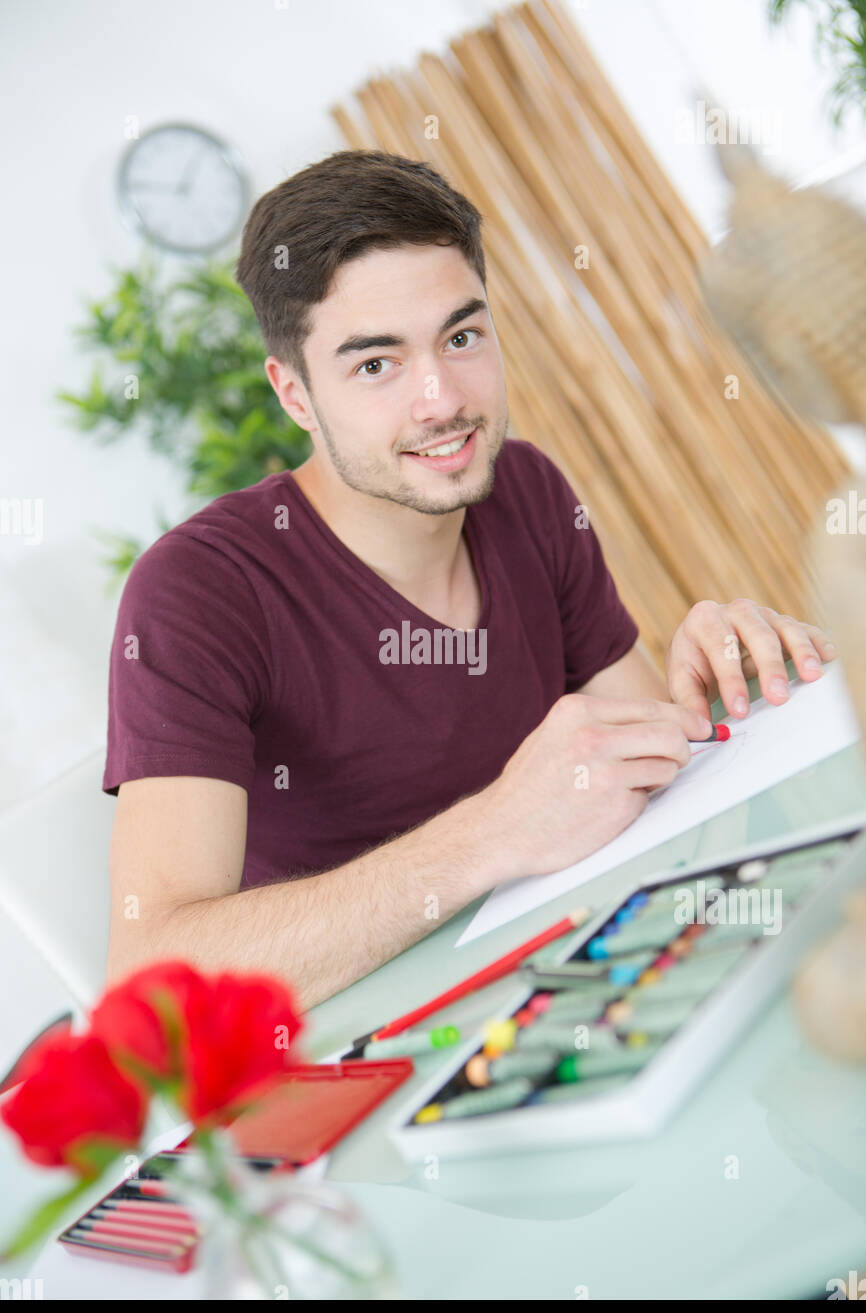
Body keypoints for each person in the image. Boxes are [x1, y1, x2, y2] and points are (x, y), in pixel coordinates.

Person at [103, 151, 835, 1008]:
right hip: (362, 1058)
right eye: (375, 364)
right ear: (296, 394)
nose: (441, 399)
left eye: (462, 336)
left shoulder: (523, 488)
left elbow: (641, 756)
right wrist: (495, 830)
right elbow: (152, 988)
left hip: (579, 985)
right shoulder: (199, 593)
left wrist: (707, 684)